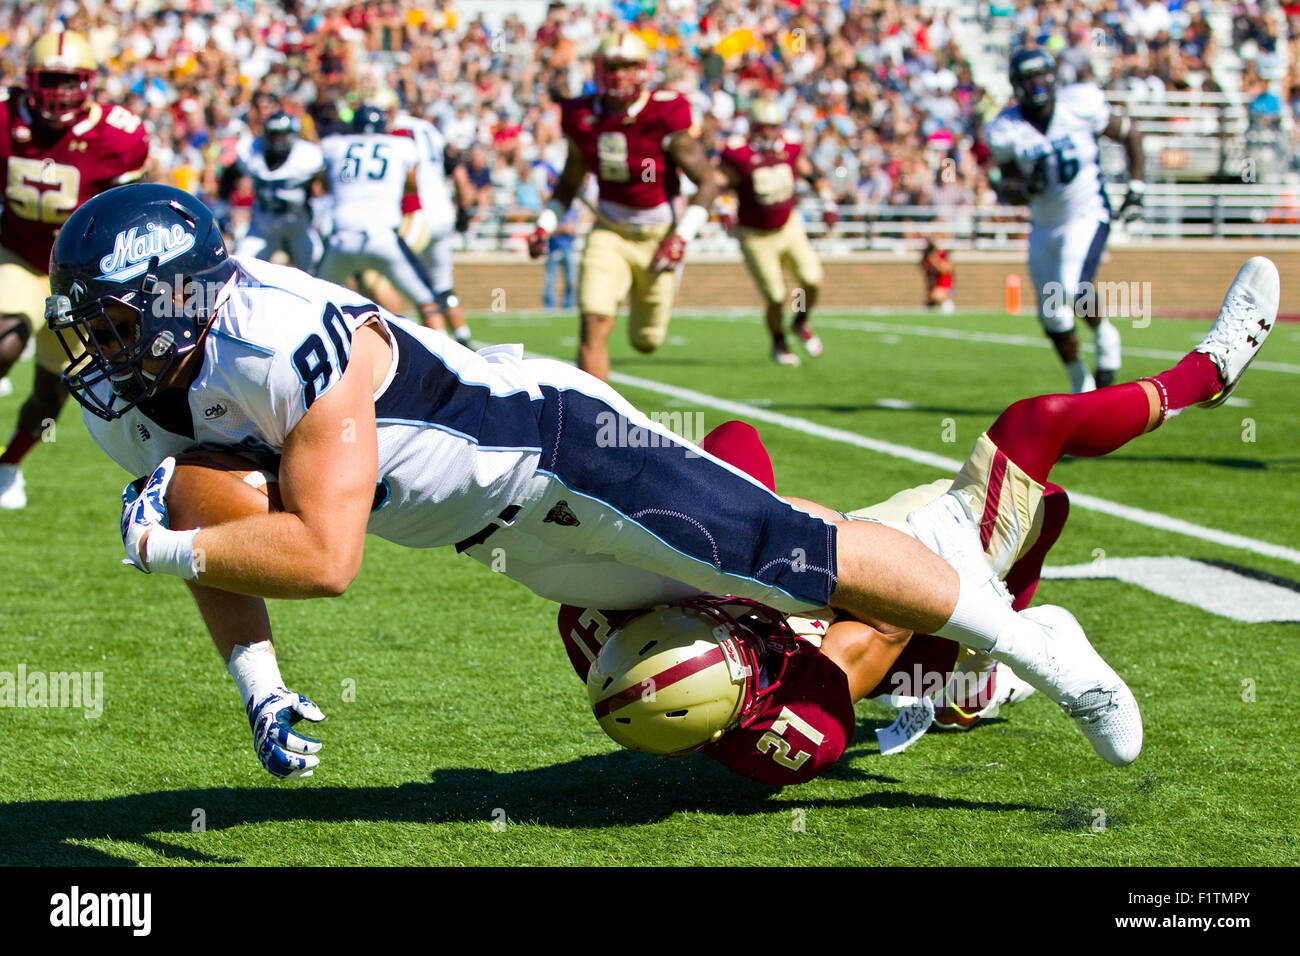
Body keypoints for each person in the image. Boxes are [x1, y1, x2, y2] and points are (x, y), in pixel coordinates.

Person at [49, 188, 1276, 781]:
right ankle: (953, 659)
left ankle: (1040, 647)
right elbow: (215, 526)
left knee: (789, 548)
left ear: (188, 297)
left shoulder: (284, 340)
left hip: (563, 451)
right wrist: (259, 687)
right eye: (88, 326)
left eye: (113, 322)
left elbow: (322, 555)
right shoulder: (142, 395)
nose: (96, 353)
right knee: (689, 652)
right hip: (508, 536)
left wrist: (163, 551)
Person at [0, 30, 148, 510]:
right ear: (31, 80)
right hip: (19, 258)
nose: (61, 90)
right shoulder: (5, 117)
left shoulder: (119, 136)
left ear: (89, 83)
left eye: (71, 79)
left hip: (80, 275)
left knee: (53, 393)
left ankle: (10, 464)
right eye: (51, 79)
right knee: (6, 337)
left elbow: (128, 210)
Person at [525, 31, 720, 381]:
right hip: (609, 229)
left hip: (659, 235)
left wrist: (682, 237)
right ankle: (592, 424)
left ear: (643, 70)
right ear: (599, 69)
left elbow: (709, 181)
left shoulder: (665, 110)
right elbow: (570, 182)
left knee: (647, 340)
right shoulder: (582, 115)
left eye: (628, 66)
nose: (620, 75)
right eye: (613, 66)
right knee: (594, 320)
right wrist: (545, 225)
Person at [985, 48, 1146, 393]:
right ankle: (1079, 380)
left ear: (1053, 75)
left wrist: (1136, 185)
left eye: (1040, 74)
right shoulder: (1005, 128)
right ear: (1016, 84)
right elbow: (1007, 187)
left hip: (1087, 212)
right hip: (1044, 225)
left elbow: (1130, 133)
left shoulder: (1080, 103)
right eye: (1027, 78)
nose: (1036, 84)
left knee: (1073, 288)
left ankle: (1105, 336)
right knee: (1051, 315)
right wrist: (1025, 188)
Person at [717, 100, 831, 367]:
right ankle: (778, 340)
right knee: (777, 297)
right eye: (763, 127)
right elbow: (718, 182)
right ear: (753, 127)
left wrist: (828, 200)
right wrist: (722, 206)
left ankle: (800, 320)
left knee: (812, 281)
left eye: (773, 127)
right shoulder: (738, 153)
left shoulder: (790, 146)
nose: (769, 133)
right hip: (755, 234)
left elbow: (810, 172)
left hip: (788, 225)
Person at [316, 105, 443, 328]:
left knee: (315, 302)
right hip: (383, 237)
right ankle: (444, 360)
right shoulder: (401, 146)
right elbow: (412, 184)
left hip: (340, 239)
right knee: (428, 301)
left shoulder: (334, 145)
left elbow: (323, 183)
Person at [230, 110, 328, 272]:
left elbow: (322, 188)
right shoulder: (250, 151)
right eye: (274, 134)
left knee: (317, 269)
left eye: (282, 134)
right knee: (241, 267)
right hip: (262, 228)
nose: (278, 140)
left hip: (298, 228)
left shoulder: (308, 157)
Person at [921, 238, 955, 312]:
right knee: (930, 296)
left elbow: (945, 269)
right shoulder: (930, 262)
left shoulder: (944, 261)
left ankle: (947, 303)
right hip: (938, 287)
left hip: (947, 287)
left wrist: (935, 261)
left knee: (935, 295)